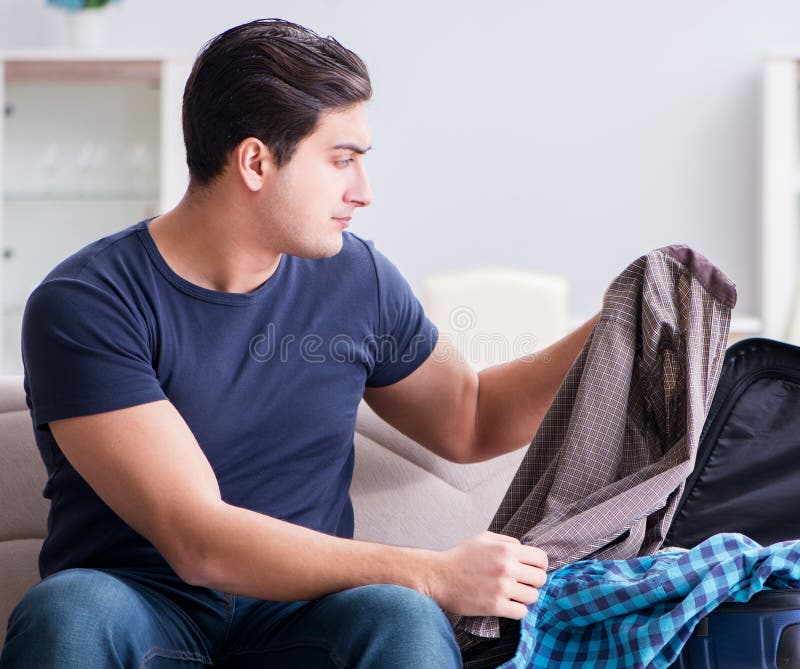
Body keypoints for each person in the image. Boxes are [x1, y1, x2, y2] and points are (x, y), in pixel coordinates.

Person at [0, 18, 597, 669]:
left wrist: (618, 321)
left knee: (401, 616)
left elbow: (472, 416)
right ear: (256, 162)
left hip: (305, 614)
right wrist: (431, 572)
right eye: (342, 160)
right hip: (143, 604)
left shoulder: (357, 279)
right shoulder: (87, 303)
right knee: (69, 612)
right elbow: (198, 539)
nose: (363, 192)